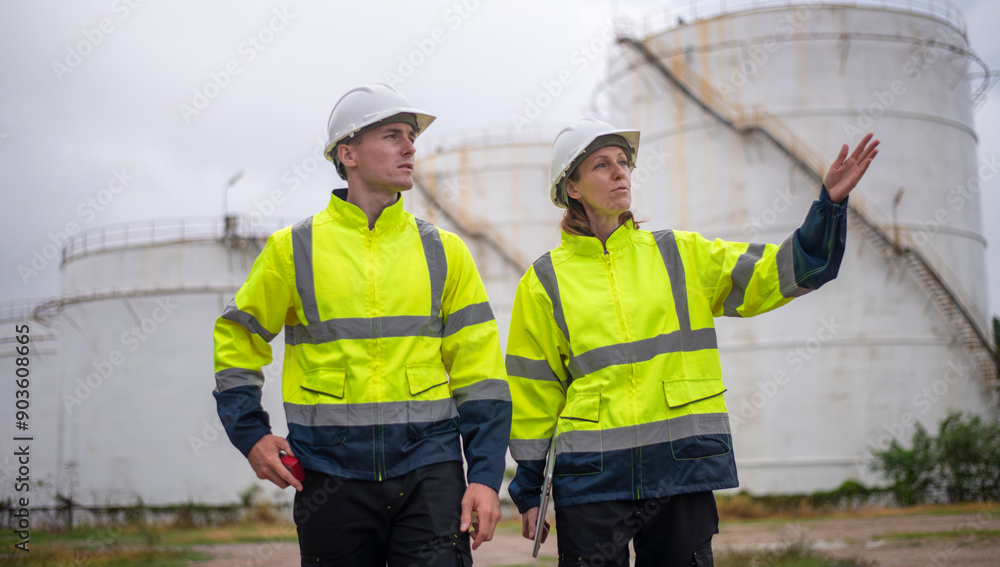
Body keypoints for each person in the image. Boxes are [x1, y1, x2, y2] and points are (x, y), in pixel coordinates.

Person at [505, 119, 879, 566]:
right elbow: (532, 391)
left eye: (623, 162)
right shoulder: (543, 282)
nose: (620, 172)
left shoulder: (680, 255)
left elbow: (778, 273)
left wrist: (829, 206)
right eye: (601, 165)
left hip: (679, 469)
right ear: (573, 189)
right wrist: (529, 489)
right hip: (592, 479)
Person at [213, 83, 512, 566]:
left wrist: (483, 475)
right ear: (347, 153)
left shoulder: (444, 252)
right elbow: (238, 336)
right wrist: (250, 433)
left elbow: (481, 375)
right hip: (329, 475)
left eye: (410, 136)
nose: (411, 147)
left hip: (430, 473)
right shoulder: (293, 250)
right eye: (393, 135)